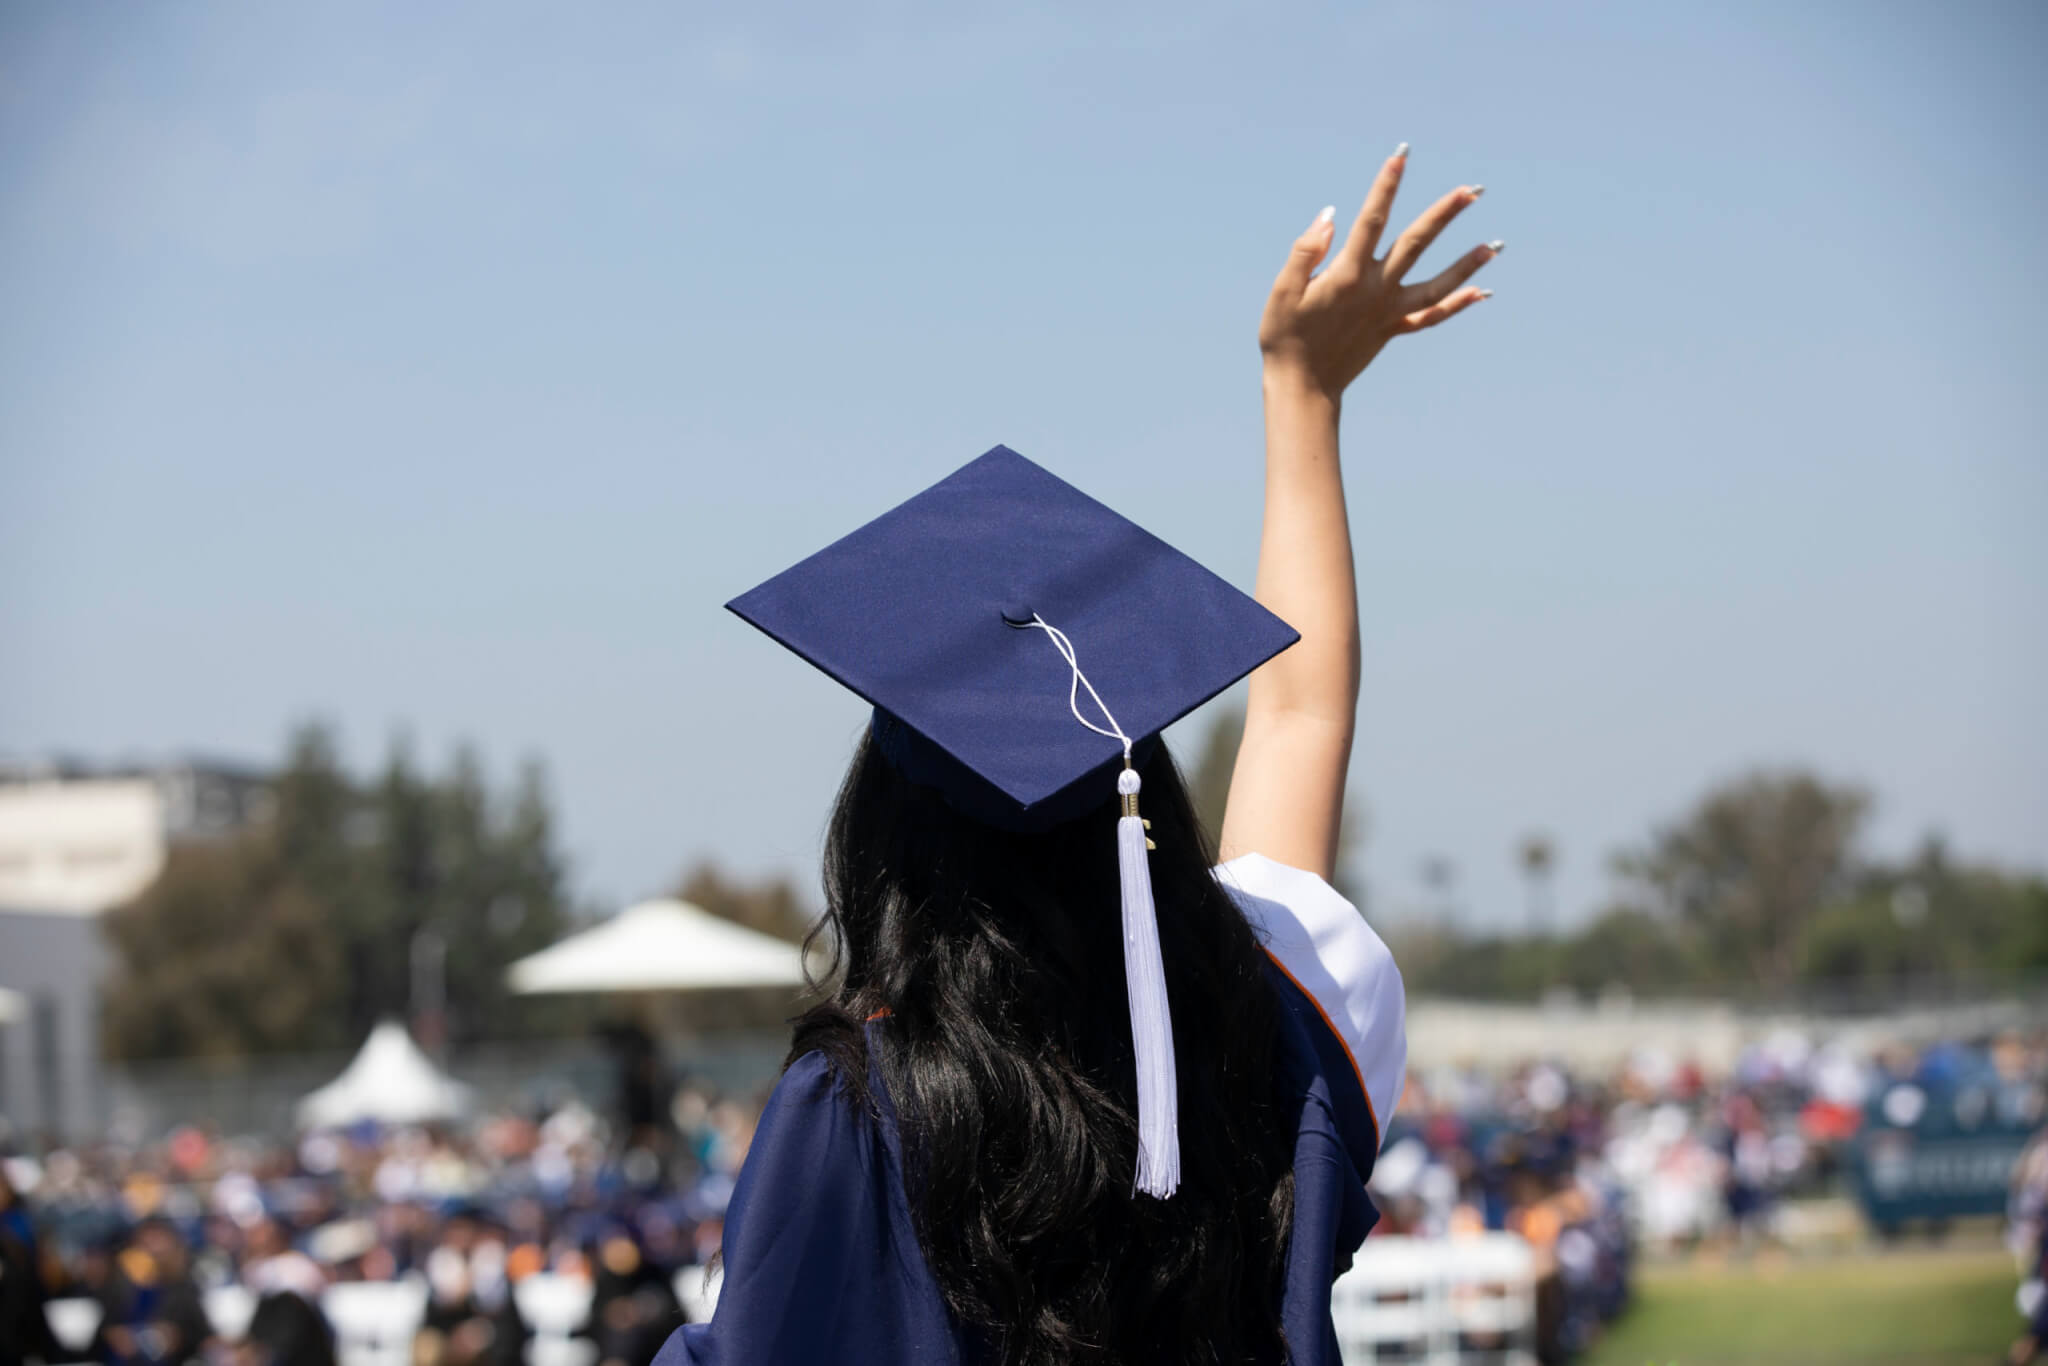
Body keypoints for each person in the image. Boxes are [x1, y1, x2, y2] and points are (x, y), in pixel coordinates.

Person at [656, 145, 1496, 1366]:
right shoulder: (1267, 1035)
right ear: (1137, 802)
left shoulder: (856, 1110)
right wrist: (1299, 394)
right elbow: (1297, 720)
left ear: (888, 843)